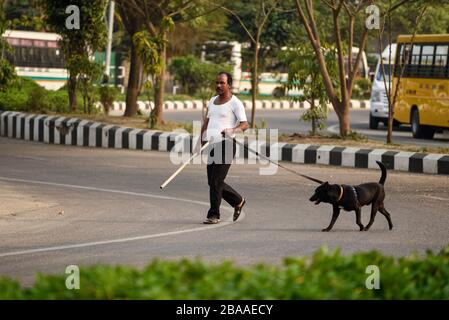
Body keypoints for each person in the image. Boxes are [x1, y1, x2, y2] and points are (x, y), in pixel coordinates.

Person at [199, 72, 249, 224]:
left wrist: (233, 130)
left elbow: (245, 124)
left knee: (216, 181)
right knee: (212, 181)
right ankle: (238, 200)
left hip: (227, 145)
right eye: (217, 83)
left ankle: (214, 214)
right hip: (212, 145)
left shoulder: (235, 103)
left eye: (222, 83)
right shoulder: (213, 100)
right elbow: (207, 122)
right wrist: (201, 139)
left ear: (229, 85)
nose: (218, 86)